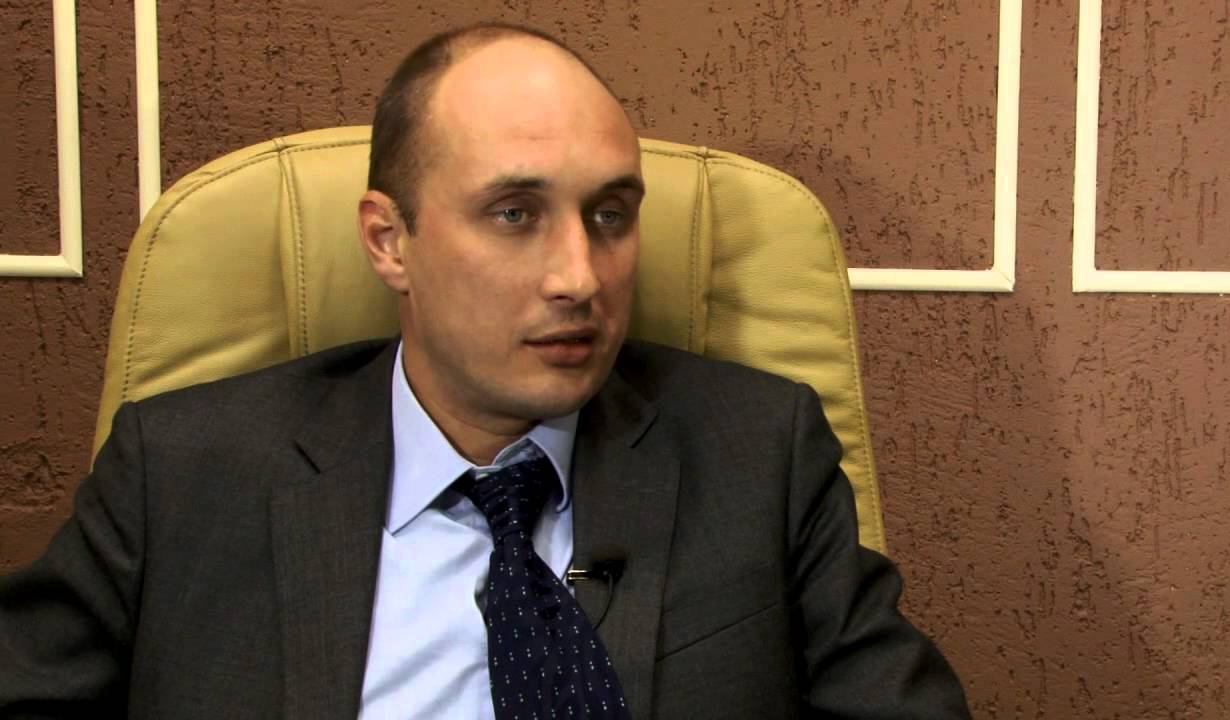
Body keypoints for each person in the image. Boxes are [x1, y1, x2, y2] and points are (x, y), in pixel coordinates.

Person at [0, 23, 970, 719]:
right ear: (389, 240)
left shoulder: (759, 452)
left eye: (610, 215)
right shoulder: (181, 470)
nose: (578, 277)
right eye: (514, 214)